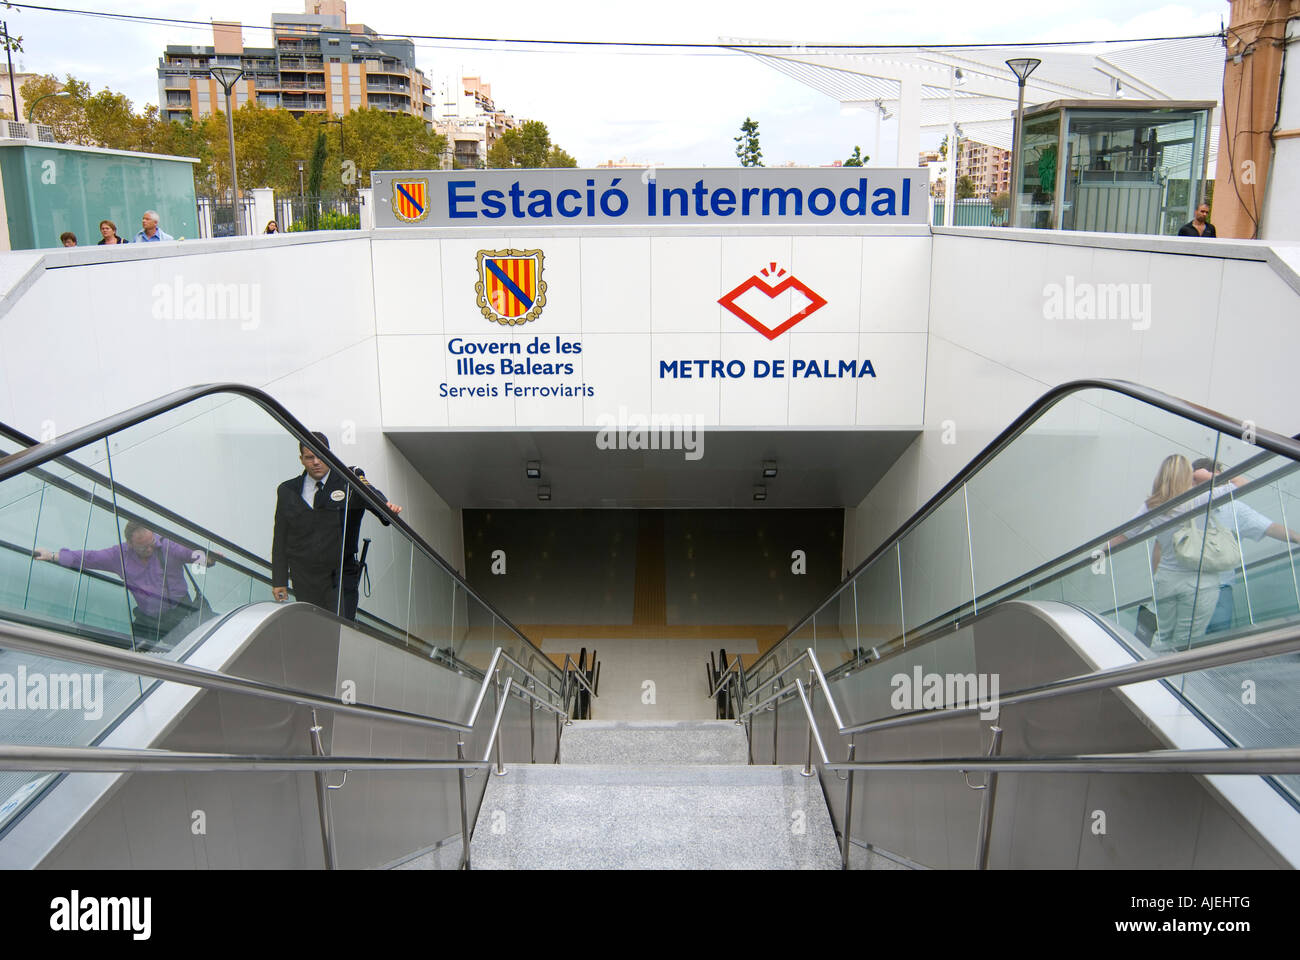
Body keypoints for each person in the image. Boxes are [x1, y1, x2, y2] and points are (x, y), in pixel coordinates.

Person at [271, 432, 402, 620]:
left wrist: (387, 508)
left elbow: (374, 499)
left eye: (320, 455)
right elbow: (280, 538)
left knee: (341, 630)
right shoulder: (287, 490)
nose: (316, 462)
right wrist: (279, 581)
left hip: (340, 578)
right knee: (313, 628)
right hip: (305, 579)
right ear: (301, 459)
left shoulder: (349, 482)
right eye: (309, 457)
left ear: (329, 455)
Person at [34, 520, 219, 649]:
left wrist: (208, 558)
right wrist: (52, 556)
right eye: (142, 547)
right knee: (141, 653)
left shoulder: (166, 545)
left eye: (151, 543)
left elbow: (191, 554)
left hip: (181, 613)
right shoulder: (119, 556)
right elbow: (90, 558)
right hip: (150, 620)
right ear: (130, 543)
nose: (149, 549)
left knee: (192, 649)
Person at [1190, 457, 1300, 633]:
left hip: (1221, 588)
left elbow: (1269, 527)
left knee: (1216, 642)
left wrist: (1296, 537)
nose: (1220, 488)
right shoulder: (1187, 505)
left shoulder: (1235, 508)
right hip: (1189, 586)